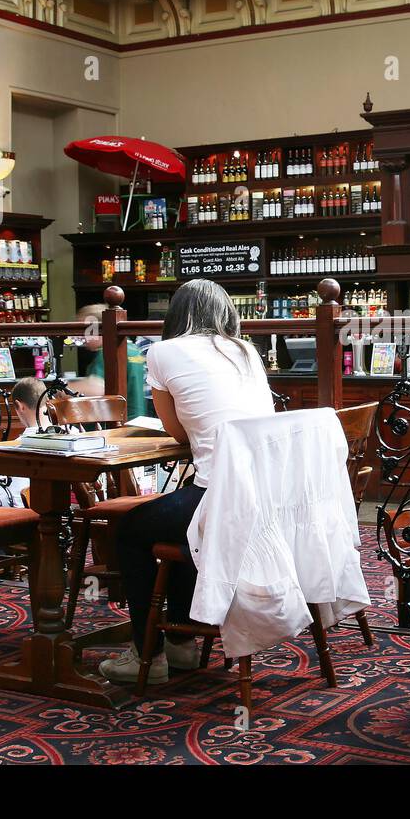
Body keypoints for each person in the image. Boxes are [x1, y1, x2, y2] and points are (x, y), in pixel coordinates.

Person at [99, 280, 275, 683]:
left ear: (175, 314)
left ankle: (148, 654)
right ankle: (180, 641)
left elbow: (176, 431)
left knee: (129, 530)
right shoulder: (246, 351)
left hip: (219, 497)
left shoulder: (161, 351)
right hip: (266, 496)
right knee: (182, 527)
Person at [73, 303, 148, 420]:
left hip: (119, 423)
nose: (81, 336)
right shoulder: (132, 349)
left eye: (83, 330)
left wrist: (63, 388)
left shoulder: (108, 353)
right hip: (138, 420)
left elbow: (96, 388)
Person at [0, 377, 47, 508]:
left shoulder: (16, 448)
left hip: (27, 517)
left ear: (20, 406)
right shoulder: (74, 432)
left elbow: (5, 501)